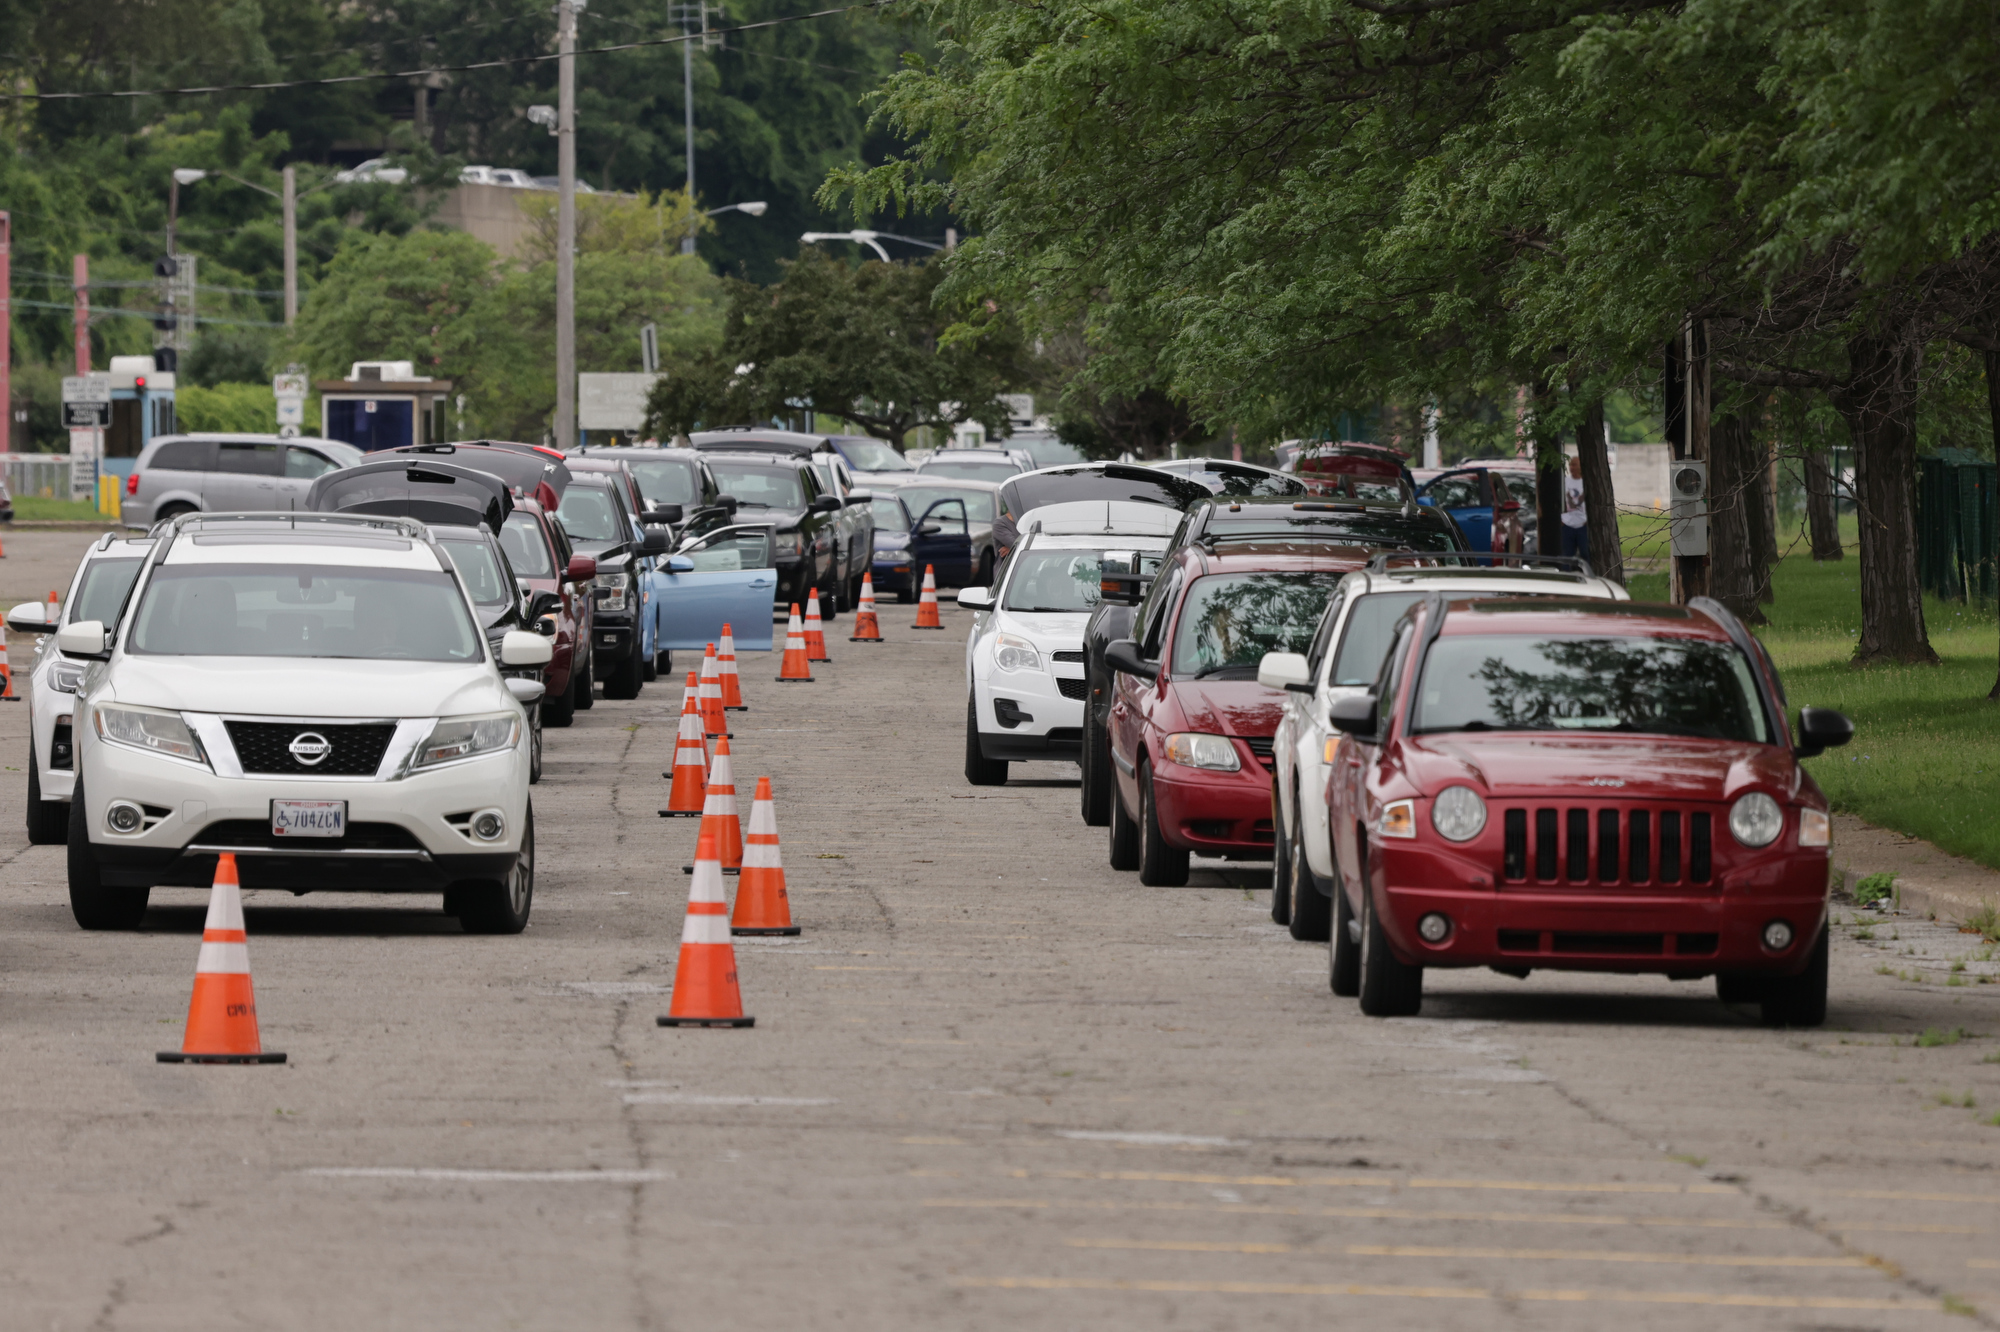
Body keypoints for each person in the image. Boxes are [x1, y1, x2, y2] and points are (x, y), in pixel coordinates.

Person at [1561, 455, 1589, 564]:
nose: (1571, 468)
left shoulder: (1587, 482)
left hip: (1583, 524)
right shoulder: (1565, 482)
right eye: (1570, 465)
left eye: (1574, 465)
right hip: (1567, 524)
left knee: (1585, 553)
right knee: (1566, 555)